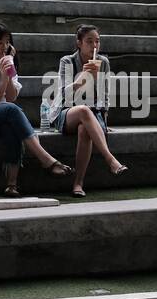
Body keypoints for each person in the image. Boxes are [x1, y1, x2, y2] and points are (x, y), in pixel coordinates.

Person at [0, 21, 73, 197]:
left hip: (1, 114)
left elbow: (12, 96)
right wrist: (4, 78)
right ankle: (46, 159)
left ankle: (11, 185)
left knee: (10, 126)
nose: (4, 47)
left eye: (7, 42)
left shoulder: (7, 63)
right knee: (11, 110)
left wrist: (7, 71)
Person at [49, 25, 129, 197]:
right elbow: (63, 94)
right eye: (89, 41)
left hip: (93, 113)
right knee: (84, 111)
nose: (94, 46)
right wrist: (81, 80)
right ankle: (110, 159)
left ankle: (78, 183)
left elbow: (104, 96)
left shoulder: (103, 62)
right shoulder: (67, 61)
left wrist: (104, 123)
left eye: (97, 41)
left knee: (85, 128)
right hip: (66, 112)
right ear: (79, 43)